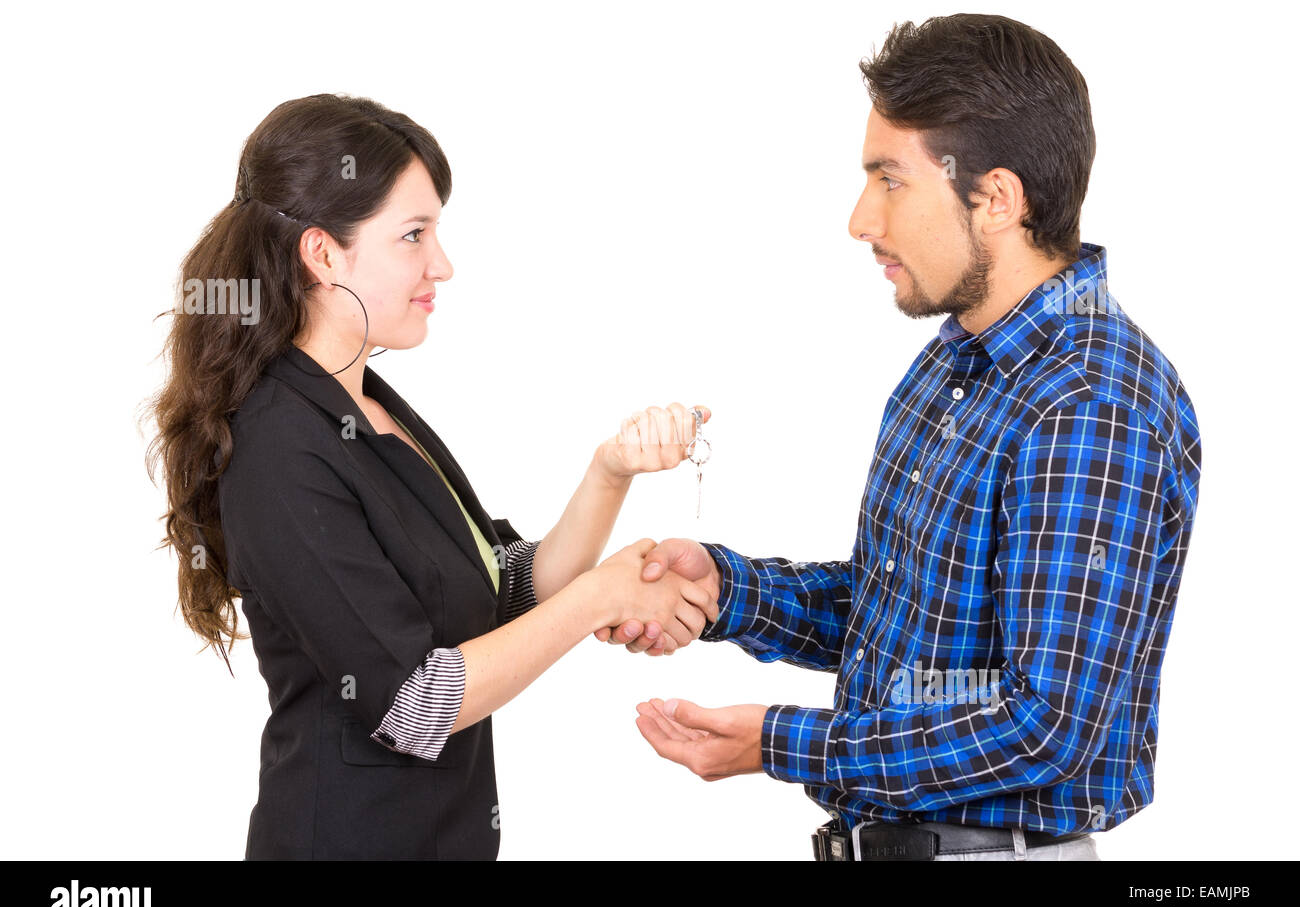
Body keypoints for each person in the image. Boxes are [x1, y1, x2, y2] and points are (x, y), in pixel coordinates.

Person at [615, 14, 1201, 861]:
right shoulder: (954, 363)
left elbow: (1044, 727)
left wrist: (778, 744)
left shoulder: (1092, 403)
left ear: (996, 198)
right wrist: (726, 592)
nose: (860, 220)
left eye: (890, 179)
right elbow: (906, 620)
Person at [146, 93, 719, 860]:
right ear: (322, 254)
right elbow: (413, 703)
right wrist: (602, 597)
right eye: (412, 236)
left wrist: (609, 472)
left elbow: (506, 591)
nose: (441, 265)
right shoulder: (280, 448)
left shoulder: (370, 404)